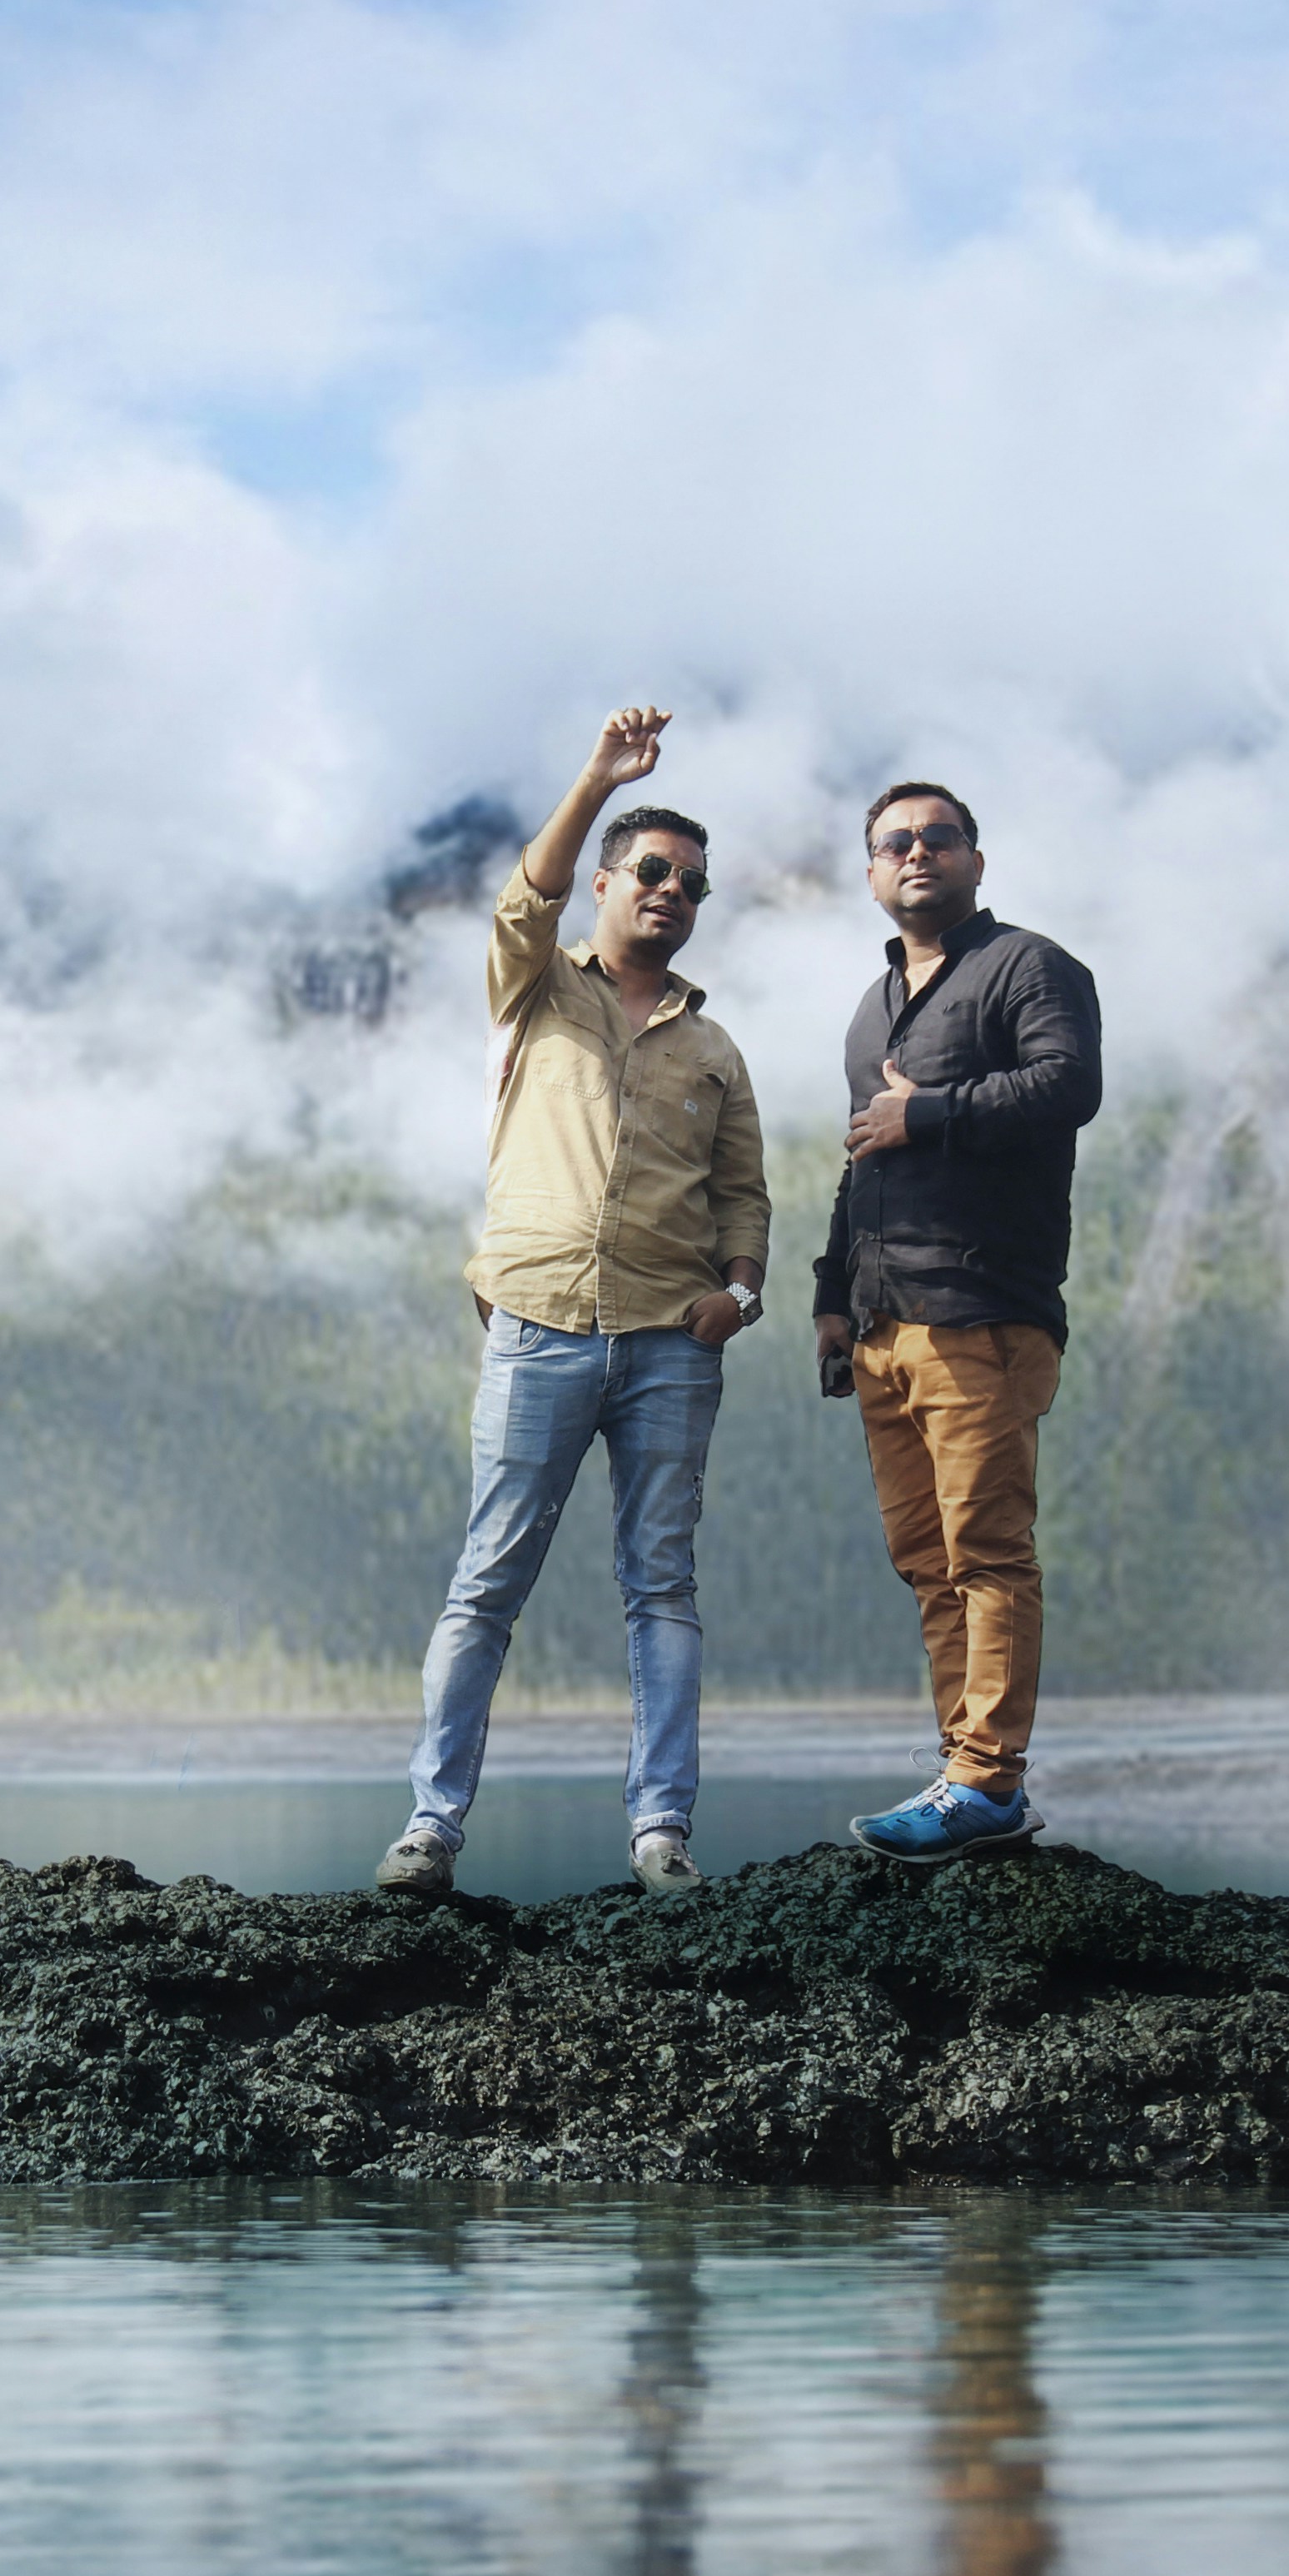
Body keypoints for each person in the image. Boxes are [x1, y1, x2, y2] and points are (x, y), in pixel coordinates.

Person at [381, 706, 770, 1897]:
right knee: (487, 1580)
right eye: (650, 871)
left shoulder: (714, 1049)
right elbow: (521, 901)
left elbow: (745, 1194)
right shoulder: (541, 987)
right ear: (607, 881)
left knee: (661, 1586)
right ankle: (431, 1829)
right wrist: (601, 776)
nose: (671, 892)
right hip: (542, 1323)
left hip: (669, 1344)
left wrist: (741, 1294)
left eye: (692, 884)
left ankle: (663, 1835)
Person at [813, 782, 1102, 1862]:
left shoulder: (1028, 968)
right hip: (887, 1327)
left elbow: (1069, 1084)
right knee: (929, 1562)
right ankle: (963, 1776)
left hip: (982, 1309)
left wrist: (925, 1110)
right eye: (896, 843)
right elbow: (863, 1157)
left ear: (977, 859)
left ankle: (988, 1777)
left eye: (940, 838)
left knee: (987, 1549)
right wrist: (831, 1298)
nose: (918, 854)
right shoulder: (873, 1005)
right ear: (873, 873)